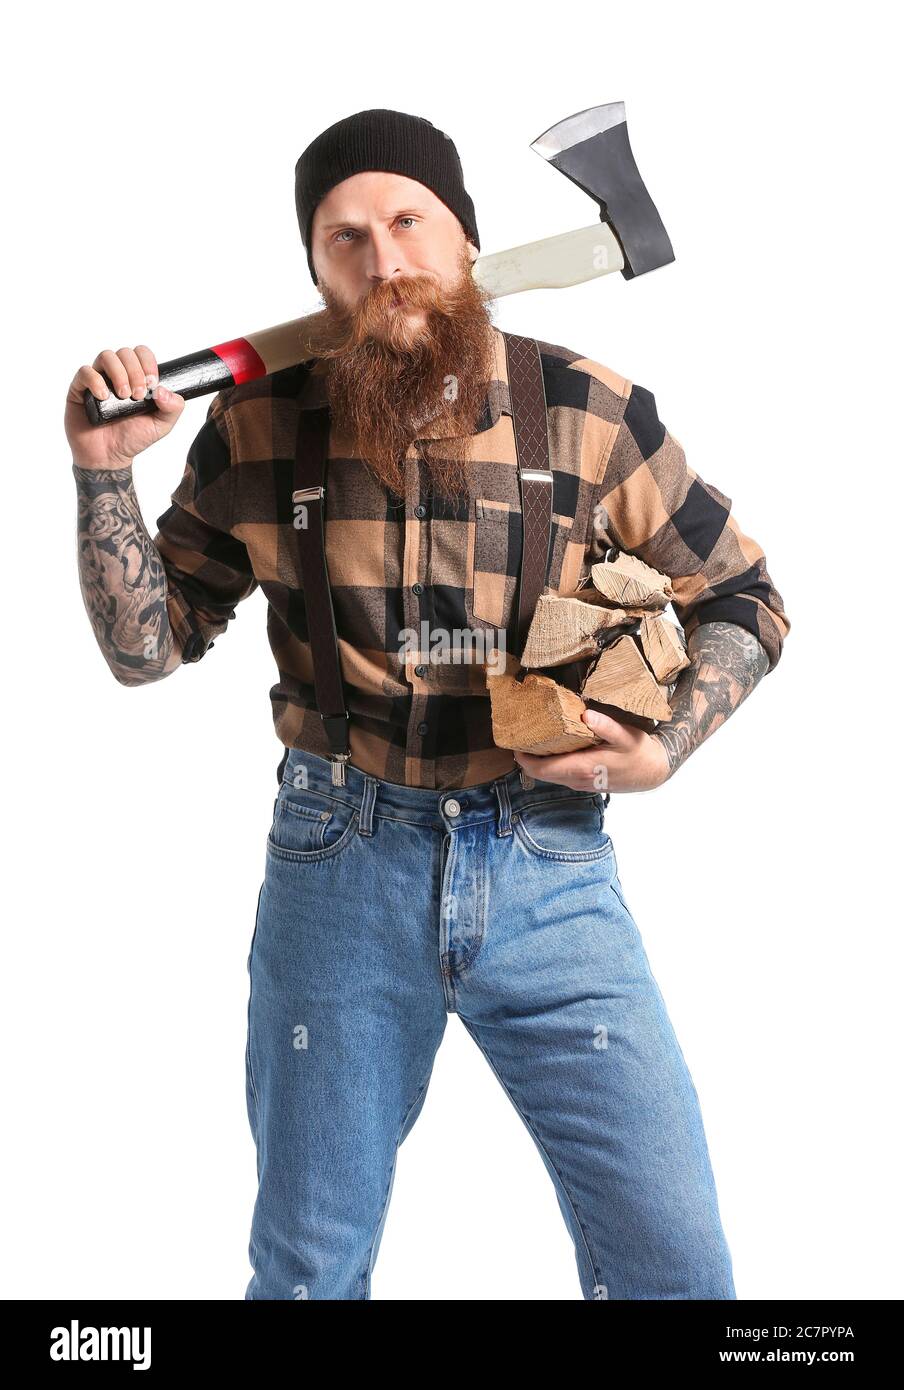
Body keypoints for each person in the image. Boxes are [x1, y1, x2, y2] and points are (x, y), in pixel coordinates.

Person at [66, 108, 791, 1301]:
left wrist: (661, 748)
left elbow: (746, 596)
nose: (383, 259)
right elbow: (147, 649)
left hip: (550, 869)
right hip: (336, 869)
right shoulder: (255, 423)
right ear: (314, 271)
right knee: (308, 1272)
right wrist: (104, 475)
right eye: (343, 238)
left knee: (678, 1268)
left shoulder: (588, 412)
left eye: (409, 221)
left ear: (466, 240)